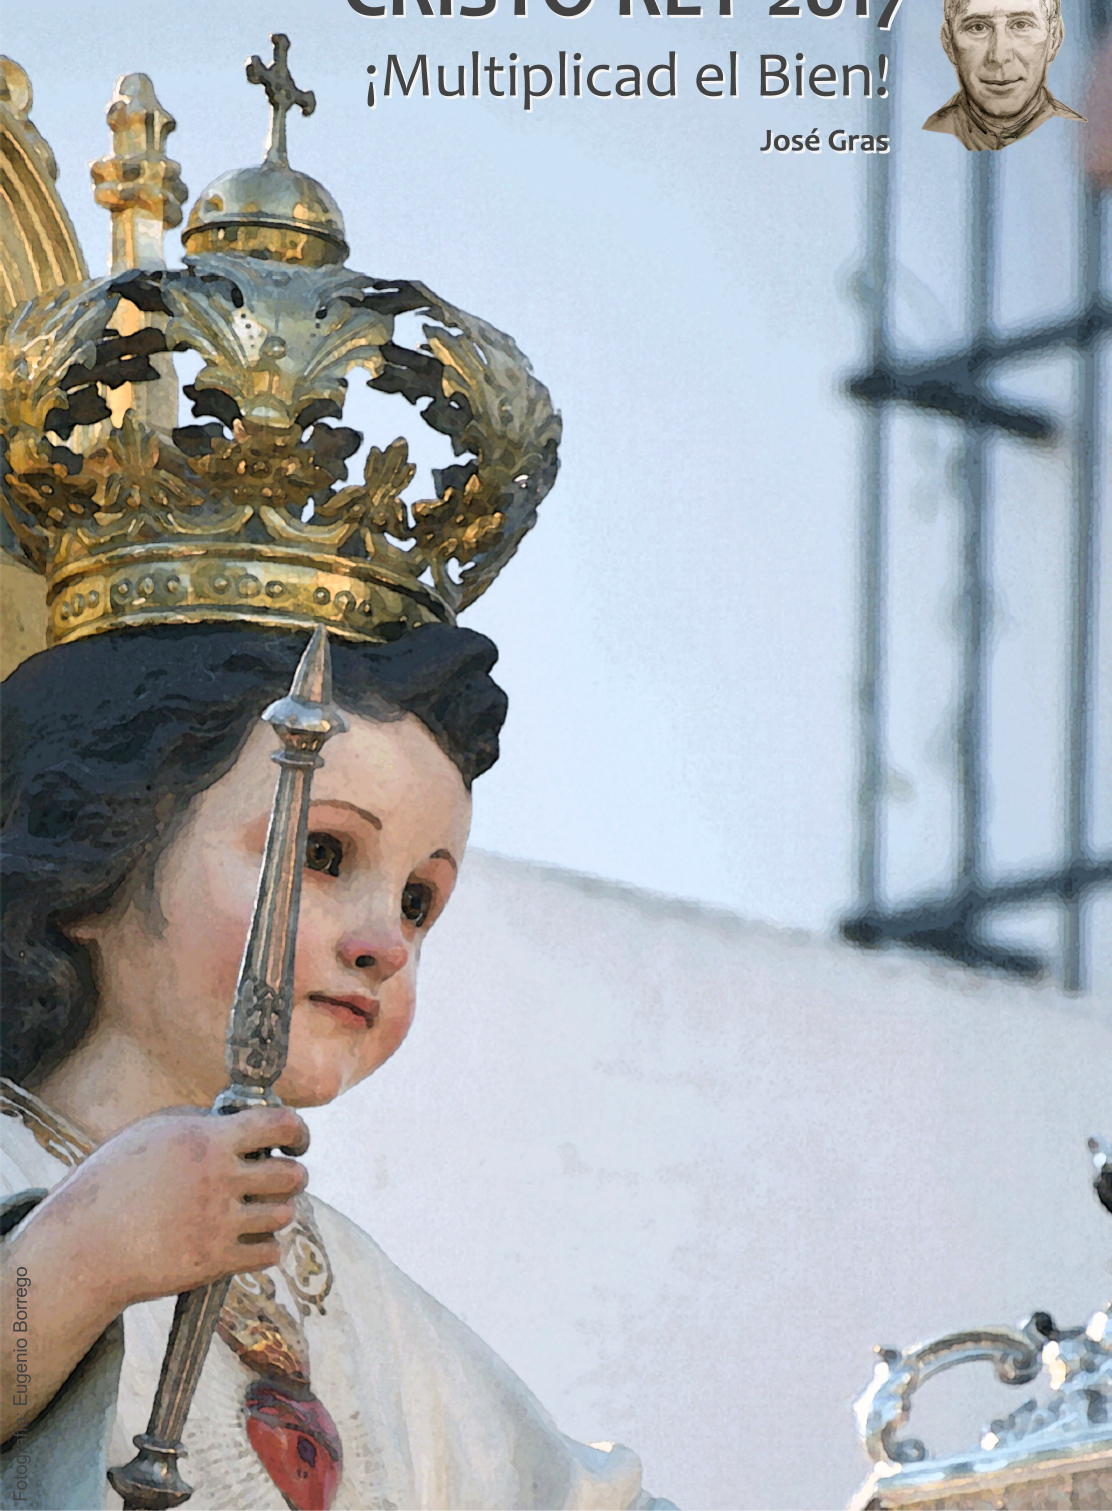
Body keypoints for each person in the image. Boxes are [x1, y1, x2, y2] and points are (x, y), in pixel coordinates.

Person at [0, 621, 675, 1510]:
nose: (387, 945)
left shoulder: (346, 1285)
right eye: (321, 854)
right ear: (94, 856)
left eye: (418, 902)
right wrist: (83, 1258)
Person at [923, 0, 1085, 152]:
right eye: (978, 27)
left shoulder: (1093, 147)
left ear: (1054, 38)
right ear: (948, 42)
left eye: (1021, 25)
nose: (999, 56)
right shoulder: (920, 141)